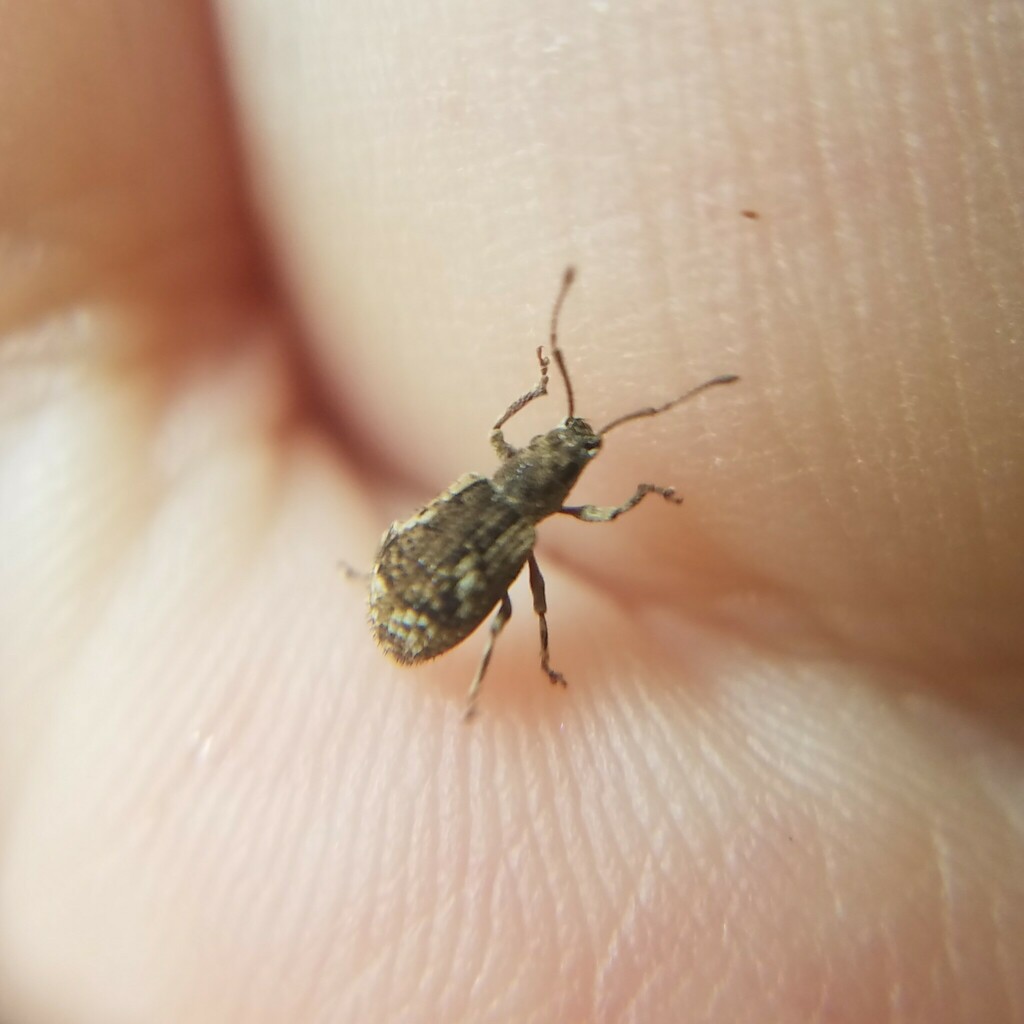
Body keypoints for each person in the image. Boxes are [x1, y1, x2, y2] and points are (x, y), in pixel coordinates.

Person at [2, 3, 1021, 1021]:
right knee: (506, 599)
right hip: (409, 591)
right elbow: (569, 498)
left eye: (568, 452)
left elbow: (590, 507)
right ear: (538, 460)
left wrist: (628, 480)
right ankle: (496, 658)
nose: (563, 448)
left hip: (416, 600)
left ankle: (498, 662)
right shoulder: (512, 497)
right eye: (558, 439)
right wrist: (561, 404)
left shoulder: (519, 510)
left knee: (510, 598)